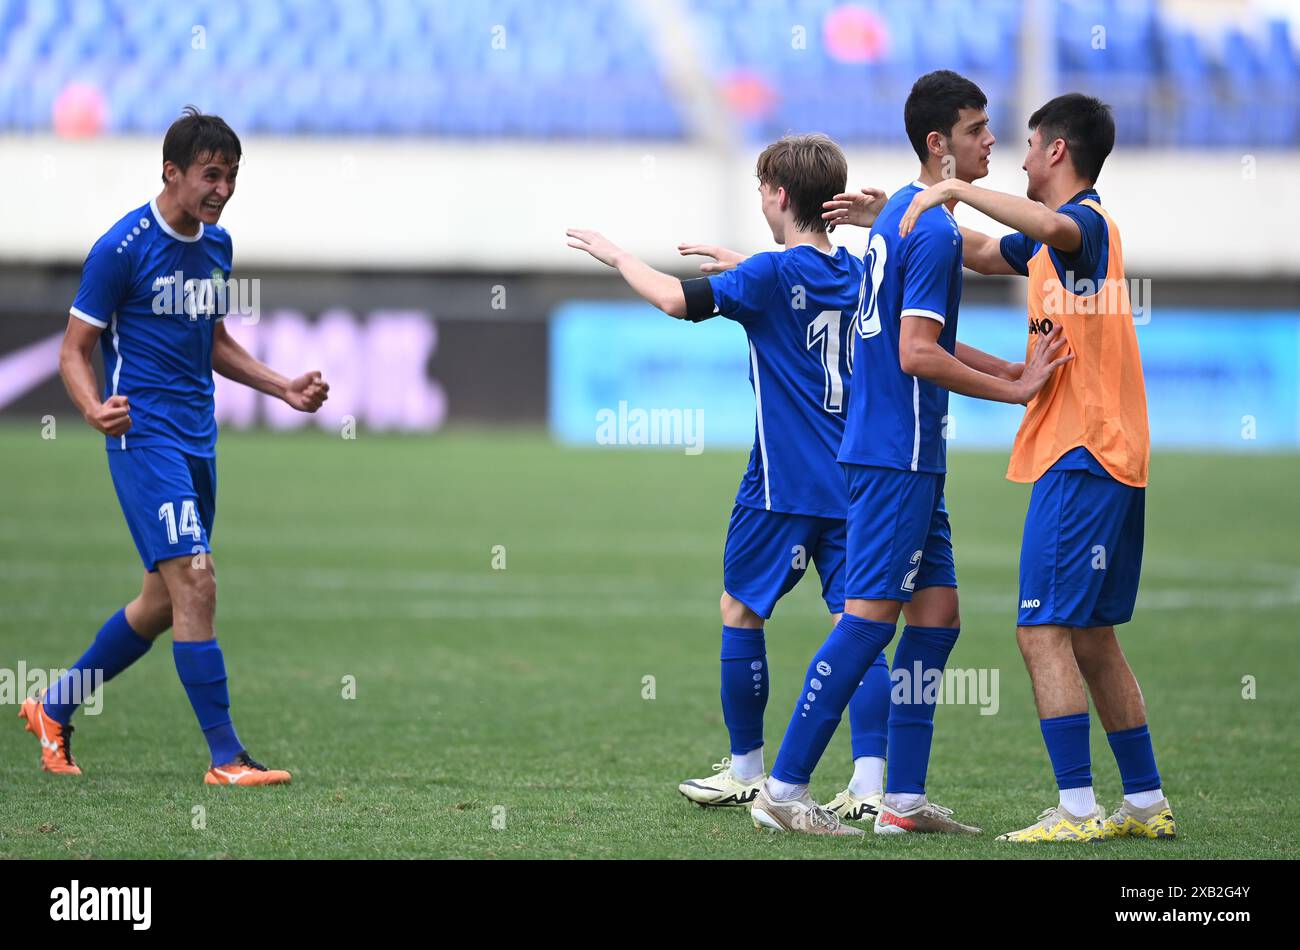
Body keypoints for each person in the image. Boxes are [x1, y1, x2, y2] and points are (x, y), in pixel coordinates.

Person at [751, 71, 1069, 836]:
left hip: (905, 454)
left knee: (937, 615)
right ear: (940, 144)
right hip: (896, 455)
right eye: (977, 129)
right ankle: (785, 790)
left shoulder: (905, 212)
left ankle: (903, 800)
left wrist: (1013, 370)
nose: (991, 140)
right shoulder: (924, 228)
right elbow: (917, 353)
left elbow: (927, 338)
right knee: (867, 620)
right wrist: (1019, 393)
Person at [568, 134, 891, 832]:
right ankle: (872, 782)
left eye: (761, 188)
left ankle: (747, 770)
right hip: (856, 482)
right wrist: (750, 267)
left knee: (741, 610)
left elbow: (673, 300)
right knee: (859, 627)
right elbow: (809, 289)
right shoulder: (859, 272)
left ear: (778, 194)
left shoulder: (768, 276)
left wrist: (617, 254)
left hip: (780, 484)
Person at [19, 107, 330, 786]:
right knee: (196, 578)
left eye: (232, 176)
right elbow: (76, 349)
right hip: (143, 434)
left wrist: (282, 387)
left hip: (198, 438)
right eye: (210, 175)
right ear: (172, 172)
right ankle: (227, 759)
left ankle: (53, 705)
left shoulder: (217, 246)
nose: (222, 189)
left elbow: (213, 342)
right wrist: (92, 406)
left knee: (162, 602)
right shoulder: (121, 248)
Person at [900, 93, 1174, 841]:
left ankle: (1076, 809)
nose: (1015, 156)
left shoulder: (1081, 224)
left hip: (1082, 453)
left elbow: (1050, 226)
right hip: (1111, 456)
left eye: (1024, 144)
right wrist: (892, 217)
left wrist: (953, 187)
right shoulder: (1051, 241)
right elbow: (986, 252)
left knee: (1040, 630)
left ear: (1057, 151)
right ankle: (1145, 804)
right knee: (1090, 635)